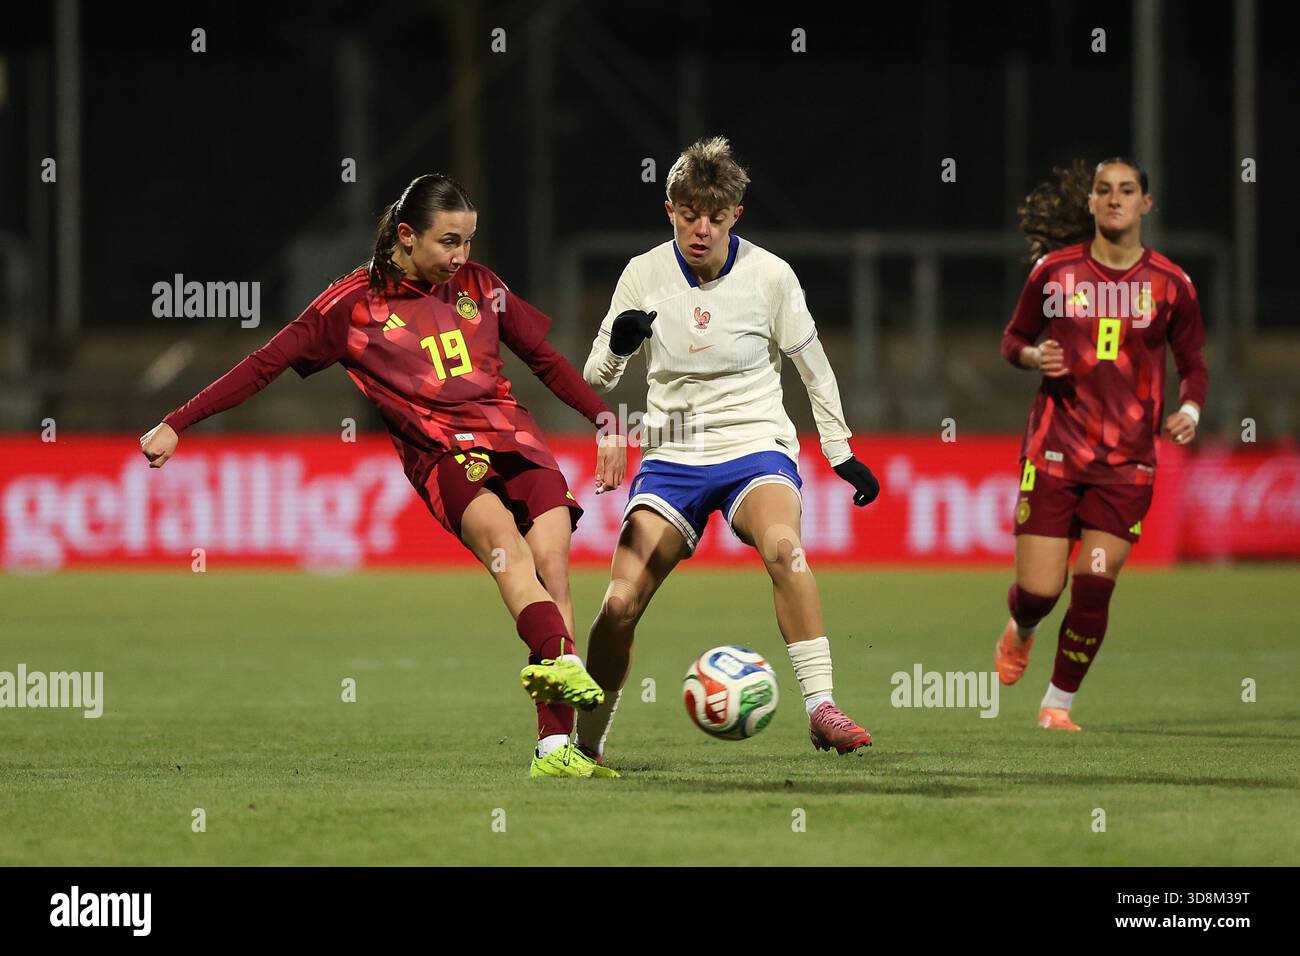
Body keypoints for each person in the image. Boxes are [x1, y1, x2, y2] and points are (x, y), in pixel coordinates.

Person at [139, 173, 626, 777]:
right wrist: (177, 422)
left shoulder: (482, 287)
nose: (461, 257)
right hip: (442, 454)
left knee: (554, 562)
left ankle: (554, 749)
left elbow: (547, 362)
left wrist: (604, 417)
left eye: (469, 242)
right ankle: (558, 658)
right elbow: (264, 364)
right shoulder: (350, 306)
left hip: (515, 439)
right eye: (449, 242)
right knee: (508, 549)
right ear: (405, 235)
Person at [576, 136, 881, 766]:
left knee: (785, 550)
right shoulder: (642, 274)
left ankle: (822, 707)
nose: (701, 228)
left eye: (715, 217)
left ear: (735, 216)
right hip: (671, 452)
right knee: (618, 603)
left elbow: (813, 369)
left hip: (755, 444)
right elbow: (594, 378)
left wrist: (839, 449)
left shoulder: (771, 276)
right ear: (671, 210)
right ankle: (587, 741)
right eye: (689, 214)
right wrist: (619, 346)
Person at [995, 157, 1208, 731]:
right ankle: (1022, 628)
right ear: (1089, 203)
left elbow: (1193, 366)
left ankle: (1057, 706)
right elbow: (1014, 339)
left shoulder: (1172, 285)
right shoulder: (1055, 273)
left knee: (1092, 585)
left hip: (1127, 464)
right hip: (1056, 451)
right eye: (1104, 190)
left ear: (1146, 204)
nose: (1115, 199)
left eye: (1127, 190)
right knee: (1041, 590)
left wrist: (1188, 409)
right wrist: (1036, 357)